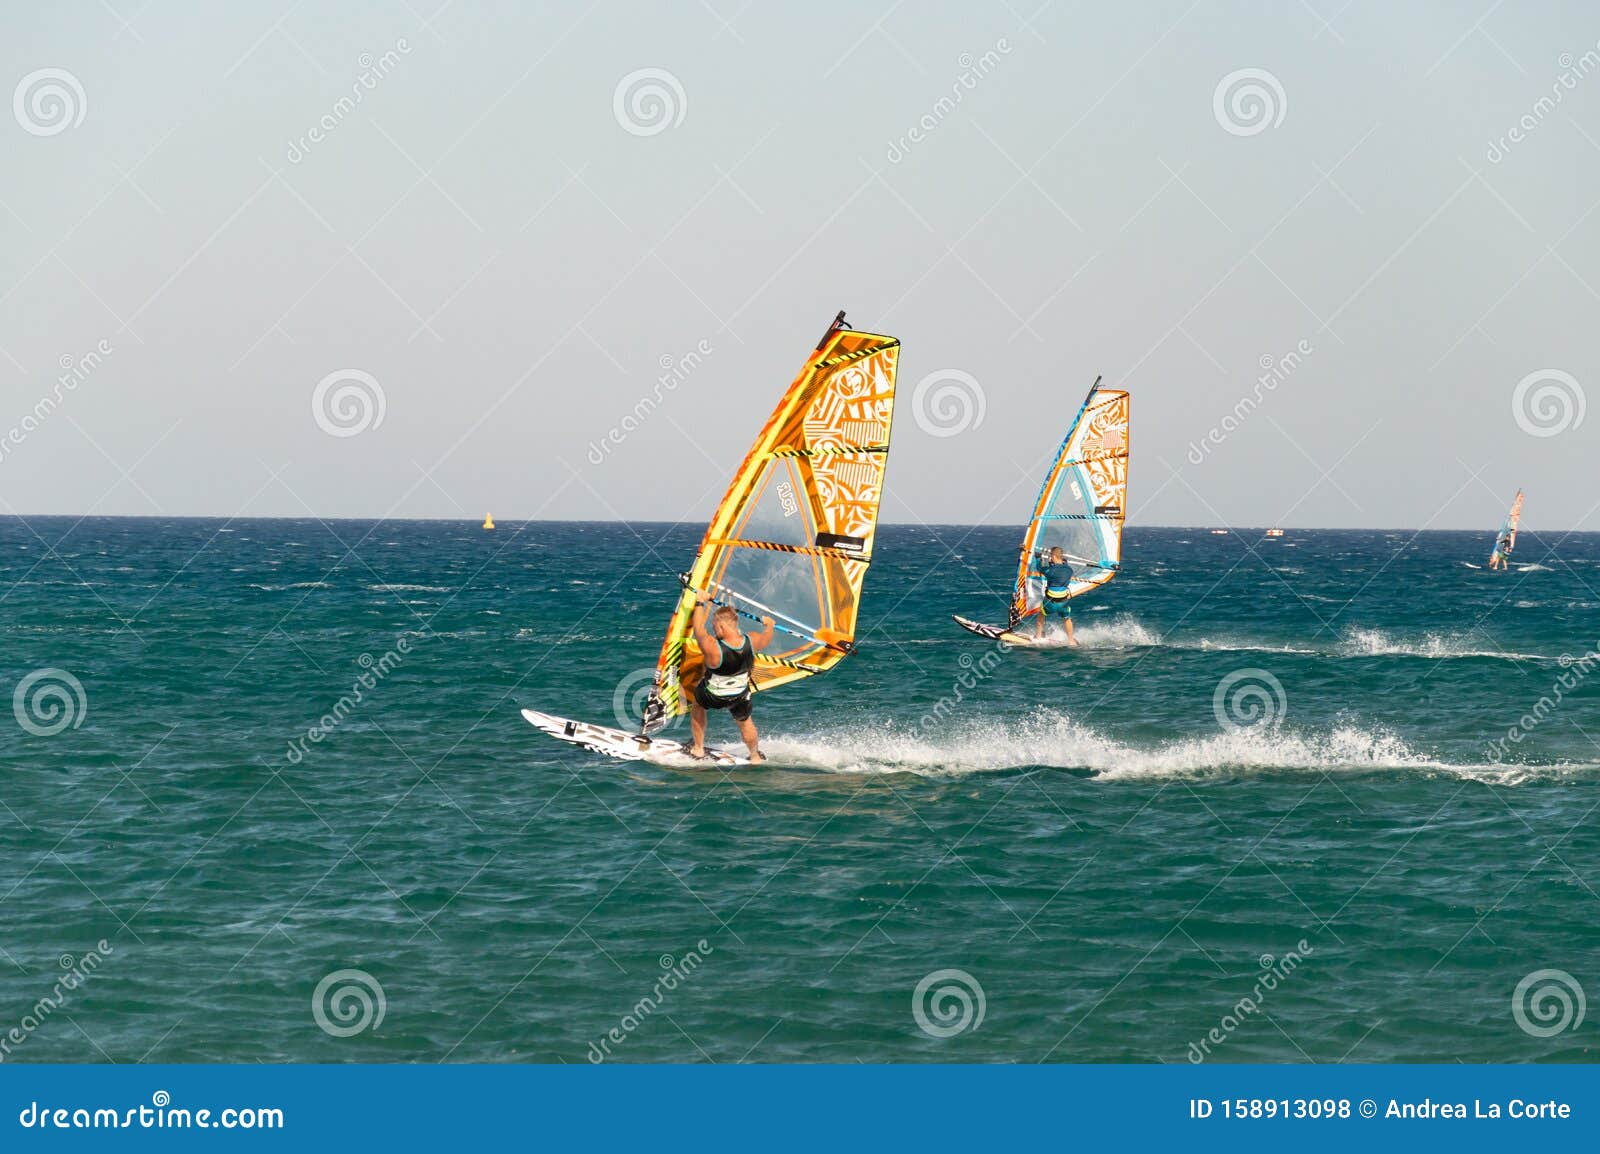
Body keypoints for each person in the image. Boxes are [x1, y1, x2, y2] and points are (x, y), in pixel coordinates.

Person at [687, 590, 774, 761]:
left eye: (714, 627)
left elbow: (697, 628)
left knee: (697, 705)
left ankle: (698, 749)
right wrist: (769, 624)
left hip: (712, 696)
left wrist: (700, 602)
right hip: (738, 695)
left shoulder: (712, 646)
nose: (713, 630)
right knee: (745, 722)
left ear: (722, 626)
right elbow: (767, 638)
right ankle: (755, 756)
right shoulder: (753, 640)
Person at [1030, 546, 1079, 644]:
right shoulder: (1069, 570)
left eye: (1051, 556)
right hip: (1063, 602)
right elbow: (1062, 569)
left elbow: (1039, 568)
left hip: (1050, 602)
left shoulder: (1049, 571)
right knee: (1067, 618)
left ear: (1053, 556)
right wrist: (1060, 562)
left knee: (1041, 614)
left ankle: (1038, 636)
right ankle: (1071, 640)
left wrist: (1038, 558)